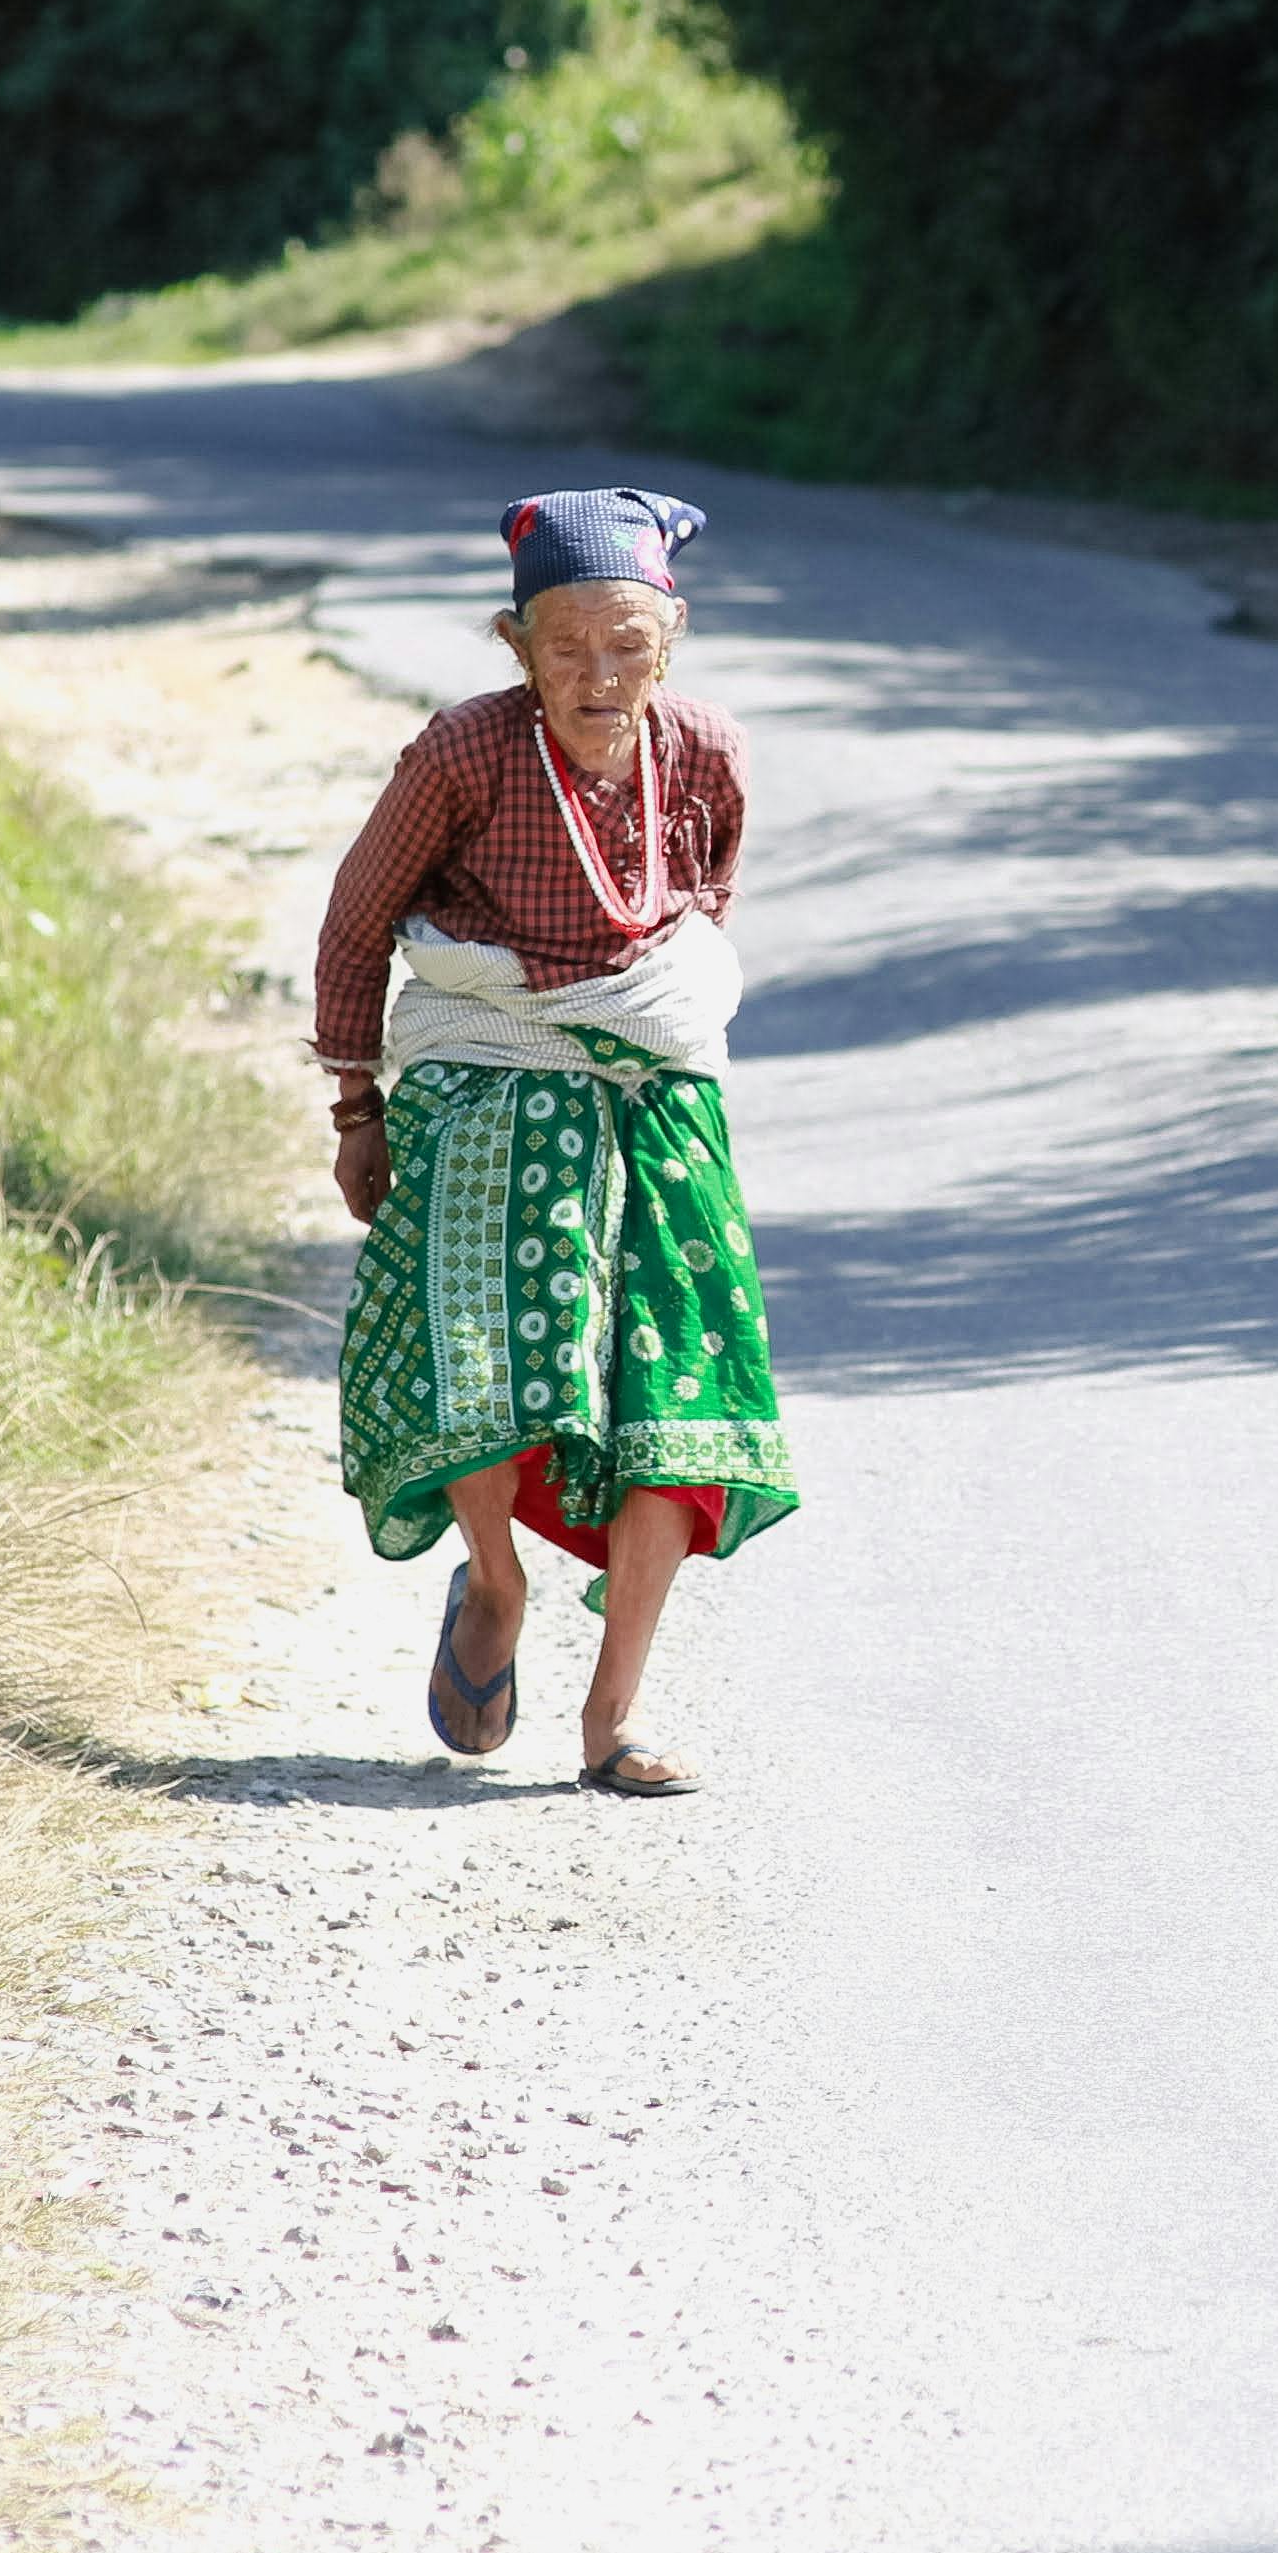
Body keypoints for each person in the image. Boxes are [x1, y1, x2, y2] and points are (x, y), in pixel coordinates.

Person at [313, 487, 797, 1794]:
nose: (599, 676)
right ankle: (497, 1579)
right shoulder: (462, 758)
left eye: (627, 646)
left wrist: (646, 1021)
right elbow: (359, 929)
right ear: (516, 644)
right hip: (488, 1073)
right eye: (566, 647)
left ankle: (614, 1719)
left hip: (657, 1083)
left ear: (670, 639)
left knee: (680, 1383)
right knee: (495, 1335)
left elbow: (699, 914)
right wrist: (358, 1110)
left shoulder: (706, 751)